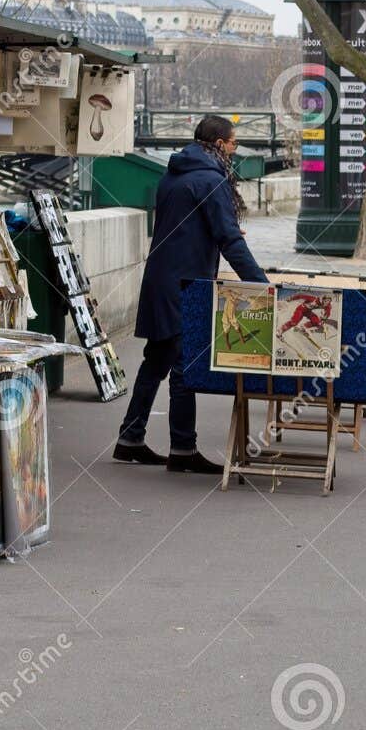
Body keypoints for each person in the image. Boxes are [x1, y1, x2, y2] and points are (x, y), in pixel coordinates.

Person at [114, 115, 267, 473]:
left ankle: (129, 438)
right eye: (233, 143)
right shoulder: (212, 181)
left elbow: (192, 227)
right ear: (218, 144)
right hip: (184, 285)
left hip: (160, 278)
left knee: (156, 361)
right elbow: (228, 238)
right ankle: (183, 448)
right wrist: (260, 285)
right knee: (183, 366)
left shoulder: (173, 174)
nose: (235, 150)